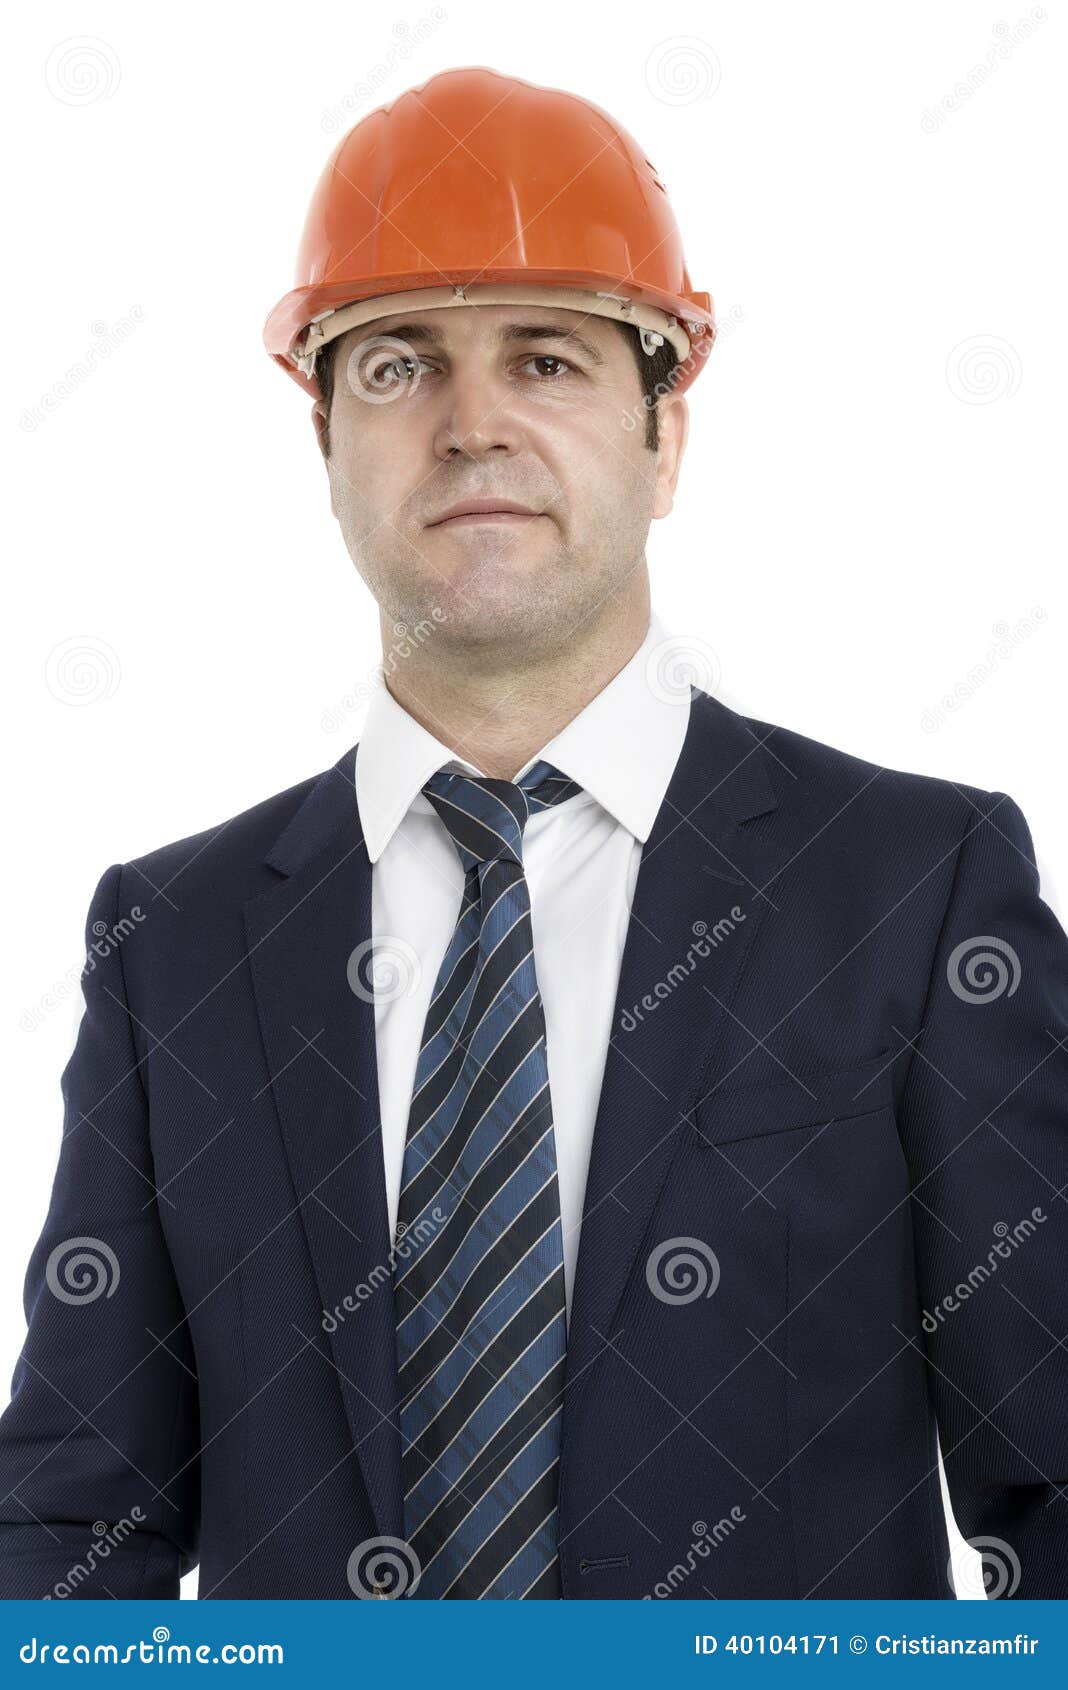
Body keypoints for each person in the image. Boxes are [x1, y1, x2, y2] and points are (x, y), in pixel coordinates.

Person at [0, 66, 1064, 1602]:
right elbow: (69, 1523)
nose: (473, 423)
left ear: (665, 436)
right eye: (398, 364)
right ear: (324, 444)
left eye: (547, 358)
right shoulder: (176, 941)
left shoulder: (915, 888)